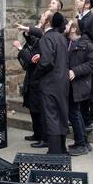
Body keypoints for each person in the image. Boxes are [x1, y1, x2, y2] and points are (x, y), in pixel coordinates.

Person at [33, 11, 69, 154]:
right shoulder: (61, 37)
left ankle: (54, 155)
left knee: (52, 117)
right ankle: (61, 150)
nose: (41, 18)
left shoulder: (47, 38)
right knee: (61, 115)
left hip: (50, 84)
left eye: (43, 16)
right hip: (62, 83)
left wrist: (36, 75)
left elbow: (47, 62)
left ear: (48, 22)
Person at [65, 20, 93, 156]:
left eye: (68, 25)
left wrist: (75, 71)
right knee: (75, 113)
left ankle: (81, 144)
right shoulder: (68, 43)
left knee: (74, 113)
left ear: (73, 29)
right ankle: (84, 142)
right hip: (70, 85)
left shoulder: (86, 45)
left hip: (78, 85)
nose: (65, 27)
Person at [13, 24, 47, 148]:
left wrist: (20, 48)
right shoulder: (38, 40)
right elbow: (31, 42)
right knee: (33, 109)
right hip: (32, 79)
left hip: (38, 80)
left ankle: (44, 137)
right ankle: (37, 134)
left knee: (38, 110)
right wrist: (26, 33)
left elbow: (31, 59)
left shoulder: (44, 41)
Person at [76, 0, 93, 129]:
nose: (77, 1)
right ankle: (84, 118)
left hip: (90, 62)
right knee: (83, 91)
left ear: (87, 5)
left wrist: (92, 61)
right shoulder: (77, 18)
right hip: (79, 62)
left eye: (80, 0)